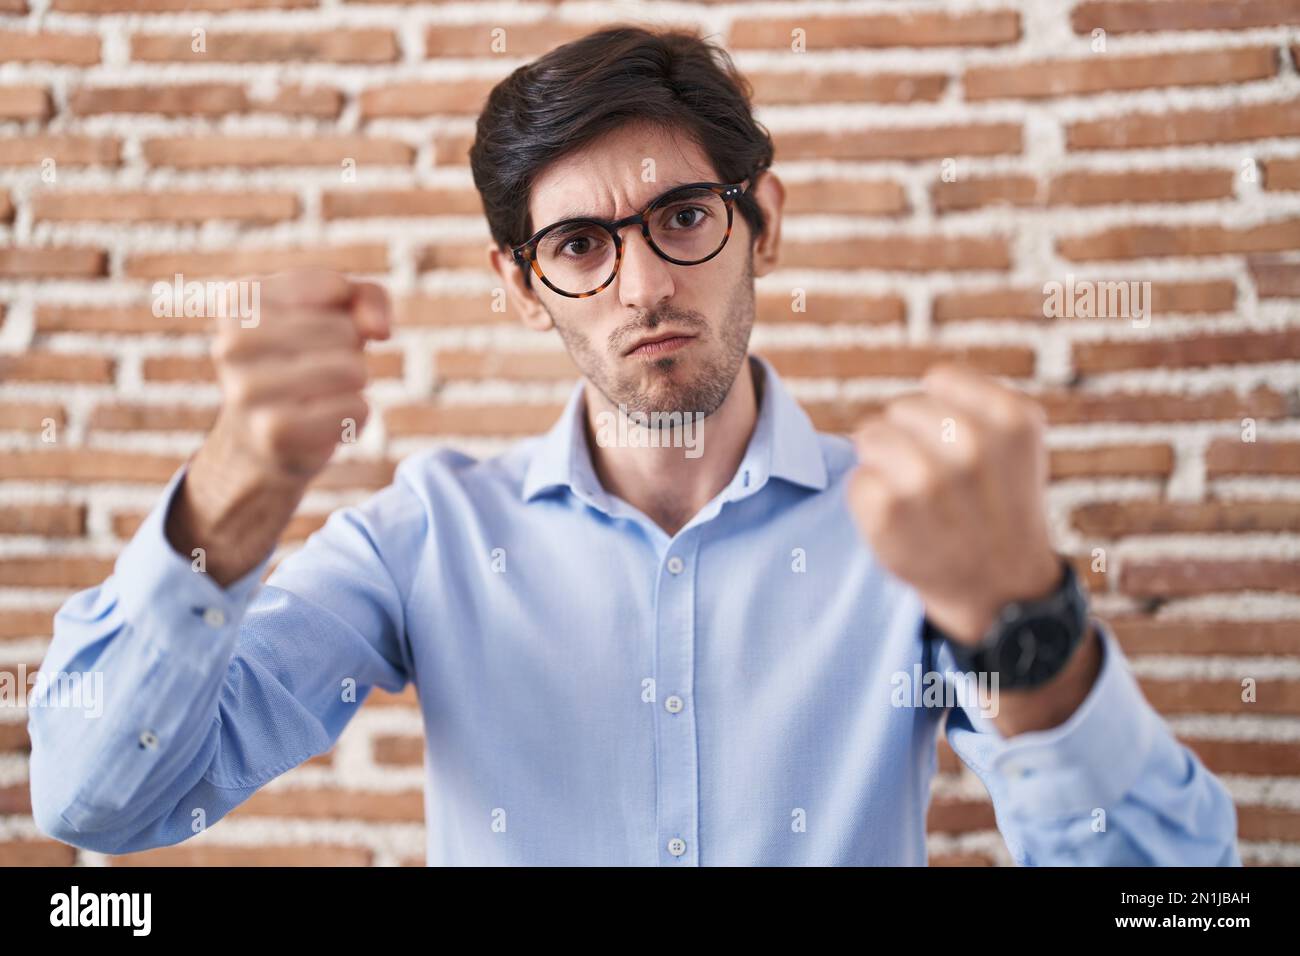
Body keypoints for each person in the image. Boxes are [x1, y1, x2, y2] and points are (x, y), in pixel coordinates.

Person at [28, 25, 1239, 866]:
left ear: (762, 220)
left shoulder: (919, 530)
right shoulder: (425, 537)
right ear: (519, 282)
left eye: (682, 215)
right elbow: (103, 799)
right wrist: (237, 485)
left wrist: (1025, 618)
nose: (645, 283)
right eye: (578, 245)